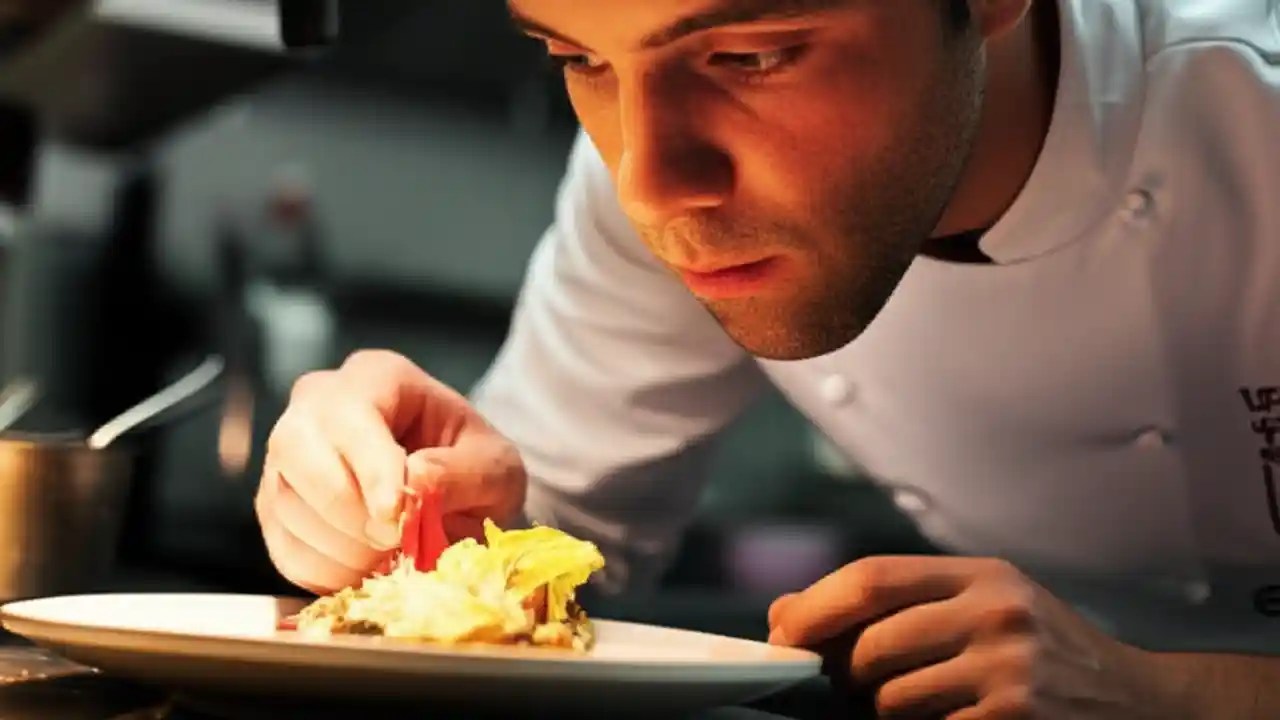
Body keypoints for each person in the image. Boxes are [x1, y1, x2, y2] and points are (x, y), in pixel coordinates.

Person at [254, 0, 1280, 716]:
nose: (651, 183)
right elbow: (549, 528)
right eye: (580, 58)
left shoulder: (1254, 114)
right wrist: (411, 528)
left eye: (749, 56)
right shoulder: (645, 178)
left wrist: (1173, 696)